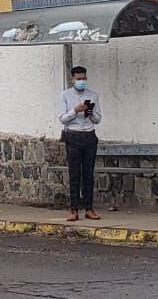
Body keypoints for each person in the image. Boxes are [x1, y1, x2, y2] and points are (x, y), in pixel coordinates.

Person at [58, 66, 101, 222]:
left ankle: (89, 208)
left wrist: (90, 113)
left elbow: (98, 119)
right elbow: (62, 118)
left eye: (84, 78)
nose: (81, 81)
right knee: (74, 174)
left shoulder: (93, 95)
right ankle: (74, 209)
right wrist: (75, 110)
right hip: (73, 136)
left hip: (89, 135)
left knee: (88, 174)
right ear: (73, 79)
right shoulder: (65, 95)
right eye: (78, 79)